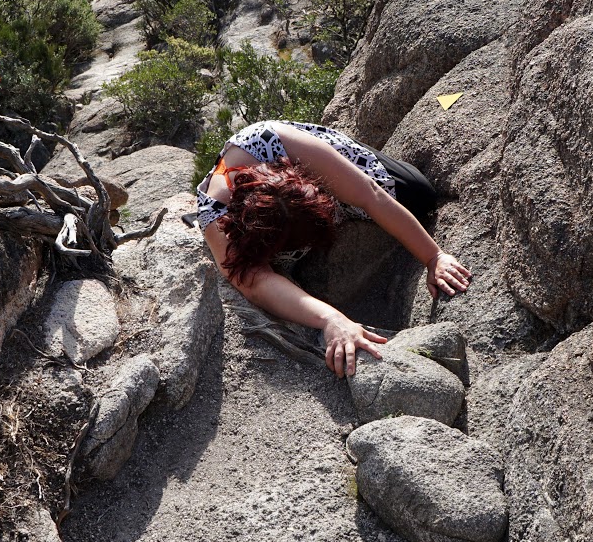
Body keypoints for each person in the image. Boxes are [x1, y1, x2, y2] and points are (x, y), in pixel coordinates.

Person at [194, 120, 471, 379]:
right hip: (268, 224)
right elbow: (255, 282)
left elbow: (370, 194)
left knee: (419, 196)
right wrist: (331, 319)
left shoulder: (274, 141)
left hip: (309, 161)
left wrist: (433, 256)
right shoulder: (214, 218)